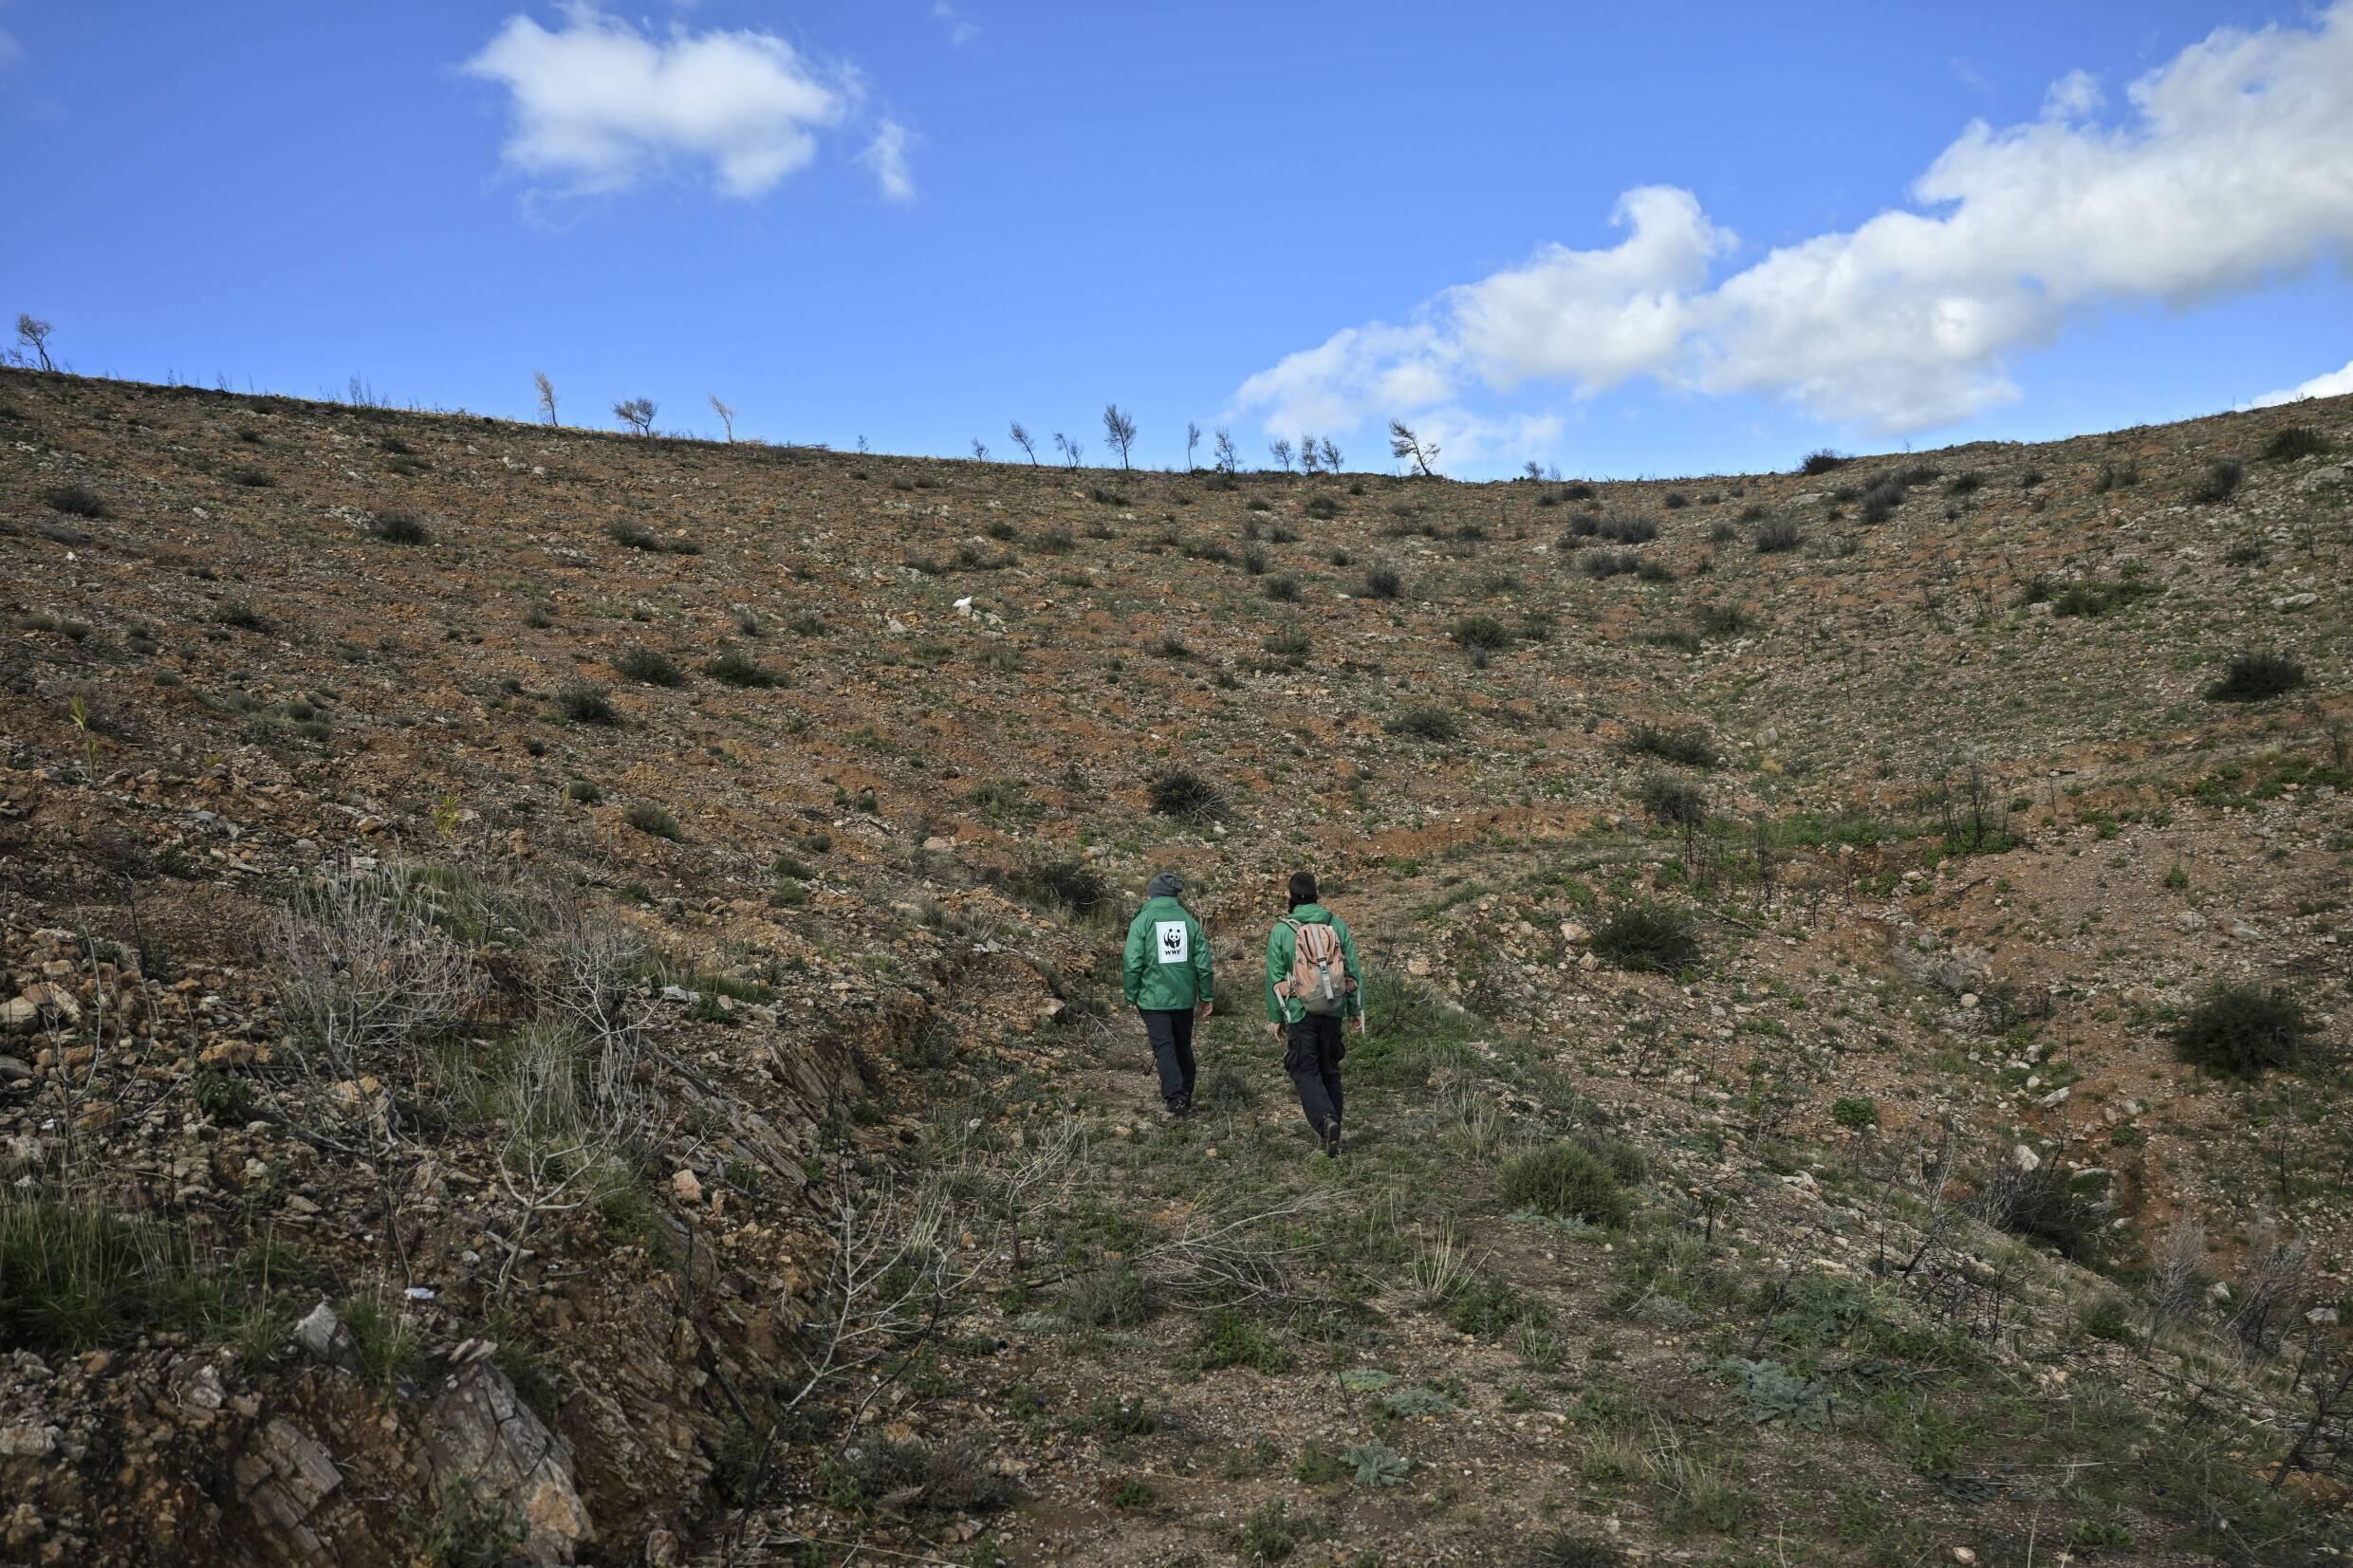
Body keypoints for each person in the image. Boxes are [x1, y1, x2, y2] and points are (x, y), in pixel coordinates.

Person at [1265, 871, 1363, 1155]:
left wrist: (1276, 1018)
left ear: (1290, 897)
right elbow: (1353, 970)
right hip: (1333, 1009)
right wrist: (1355, 1010)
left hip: (1299, 1011)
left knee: (1304, 1070)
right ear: (1317, 894)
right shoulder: (1336, 924)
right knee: (1330, 1071)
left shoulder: (1282, 930)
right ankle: (1333, 1134)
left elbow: (1273, 979)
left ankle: (1325, 1121)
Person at [1122, 870, 1214, 1116]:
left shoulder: (1142, 921)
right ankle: (1186, 1092)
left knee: (1164, 1048)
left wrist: (1131, 994)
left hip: (1152, 999)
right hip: (1184, 998)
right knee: (1183, 1045)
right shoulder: (1188, 921)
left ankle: (1176, 1099)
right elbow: (1203, 961)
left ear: (1153, 895)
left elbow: (1132, 962)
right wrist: (1206, 995)